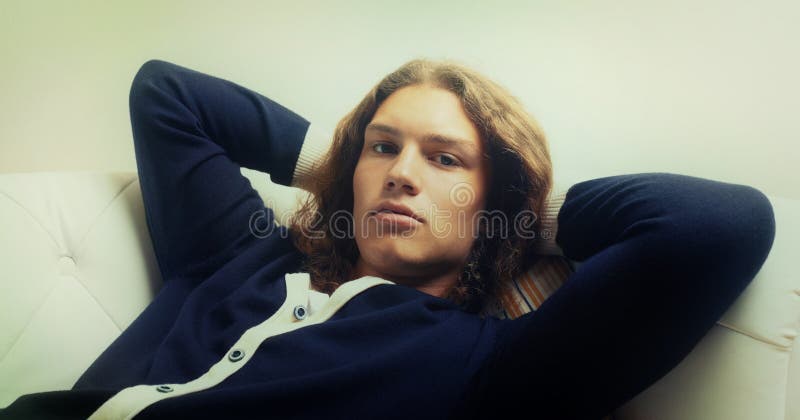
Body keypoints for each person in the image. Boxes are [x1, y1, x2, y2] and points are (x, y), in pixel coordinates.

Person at [0, 59, 775, 420]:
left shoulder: (486, 369)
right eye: (382, 146)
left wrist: (512, 210)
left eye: (444, 159)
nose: (401, 173)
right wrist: (344, 171)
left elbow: (718, 225)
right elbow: (167, 95)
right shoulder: (237, 253)